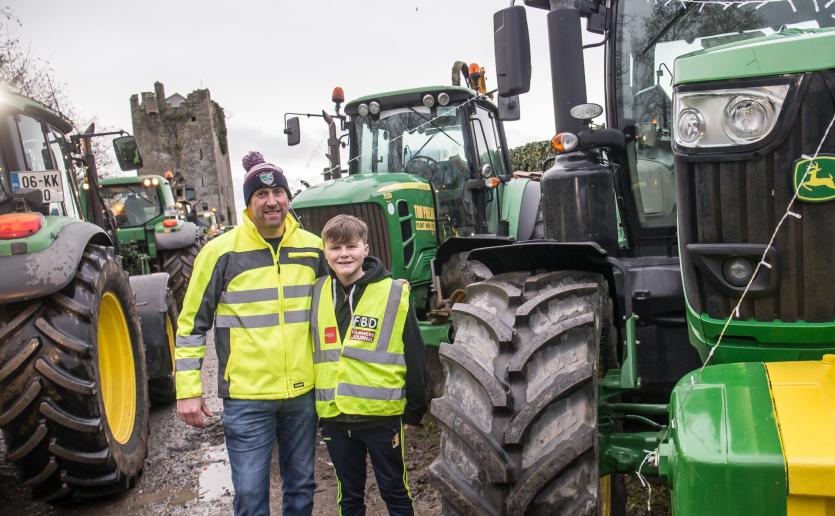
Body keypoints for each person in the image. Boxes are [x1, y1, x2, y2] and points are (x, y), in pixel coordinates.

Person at [175, 151, 326, 516]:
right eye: (261, 195)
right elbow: (191, 324)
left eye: (278, 195)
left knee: (302, 487)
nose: (272, 202)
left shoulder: (312, 248)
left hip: (303, 394)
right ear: (249, 203)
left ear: (288, 198)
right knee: (250, 495)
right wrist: (188, 391)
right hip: (247, 398)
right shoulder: (219, 253)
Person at [310, 214, 427, 516]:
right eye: (335, 248)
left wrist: (414, 409)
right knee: (348, 497)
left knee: (394, 491)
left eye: (351, 246)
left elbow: (414, 352)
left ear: (366, 248)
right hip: (335, 418)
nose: (344, 254)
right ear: (325, 252)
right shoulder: (317, 293)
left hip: (380, 418)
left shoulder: (393, 292)